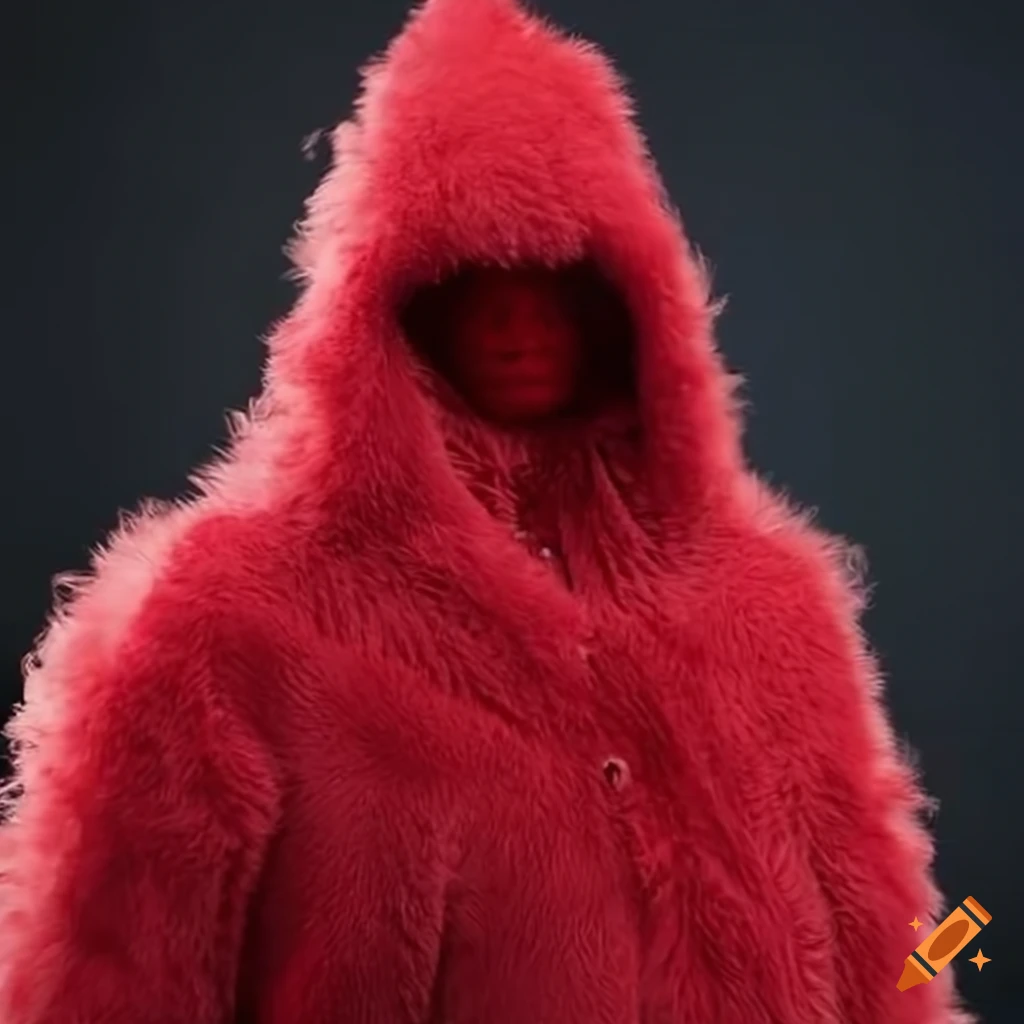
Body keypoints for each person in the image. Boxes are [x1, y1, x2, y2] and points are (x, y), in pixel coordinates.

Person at [0, 1, 974, 1022]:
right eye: (469, 280)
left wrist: (978, 940)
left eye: (550, 275)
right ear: (389, 306)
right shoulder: (238, 621)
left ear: (622, 302)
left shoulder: (765, 610)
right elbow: (114, 979)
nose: (514, 319)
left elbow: (909, 950)